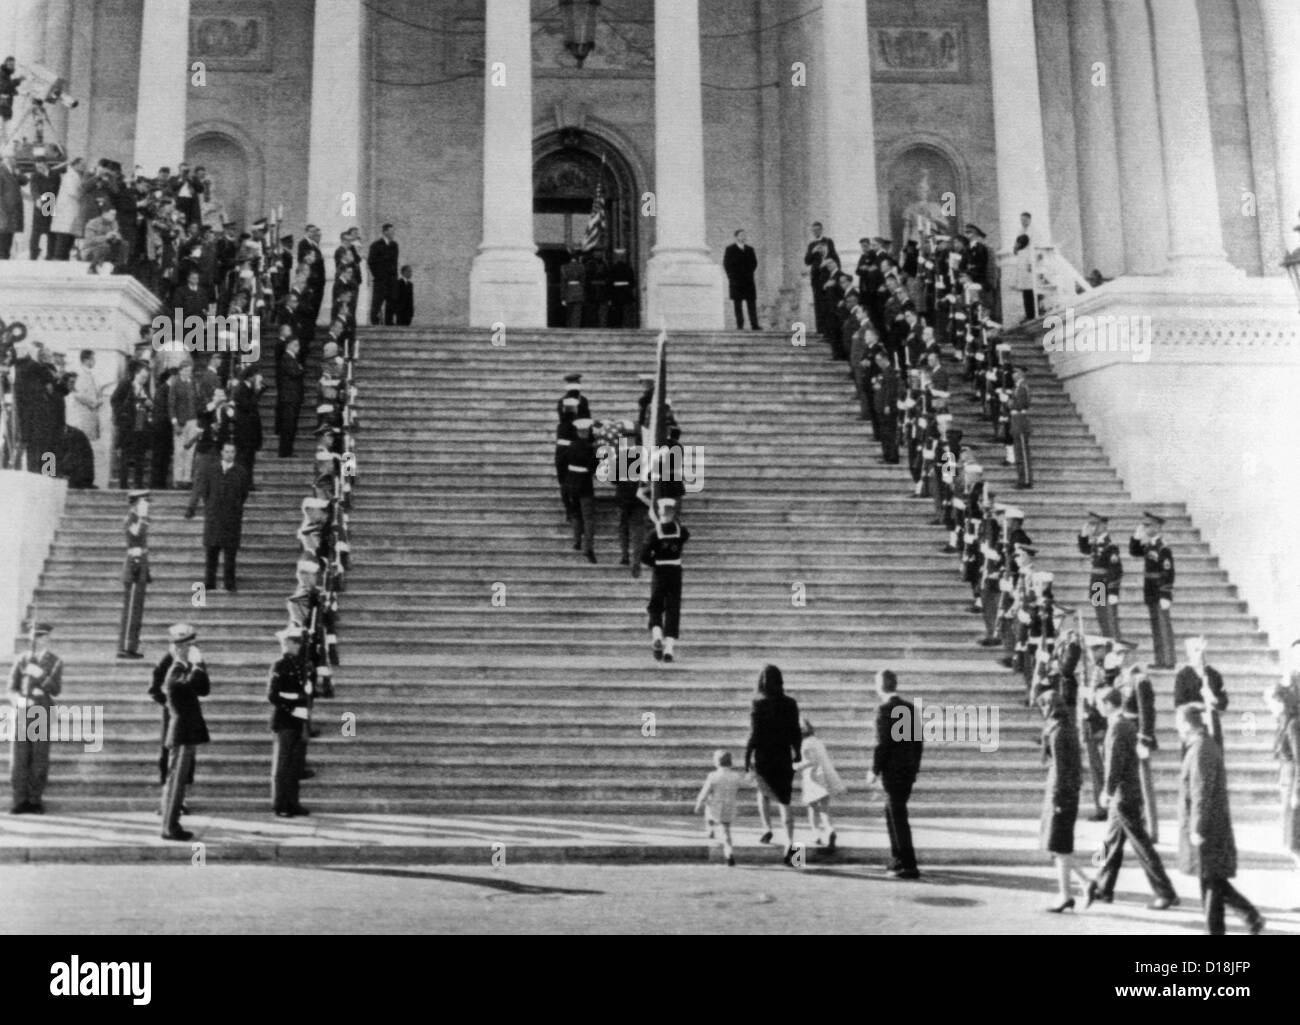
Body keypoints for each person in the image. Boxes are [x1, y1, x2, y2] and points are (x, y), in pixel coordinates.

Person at [1086, 687, 1179, 910]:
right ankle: (1103, 887)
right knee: (1110, 844)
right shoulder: (1125, 724)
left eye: (1099, 703)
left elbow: (1114, 765)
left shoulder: (1117, 727)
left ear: (1109, 704)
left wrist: (1106, 791)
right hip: (1127, 793)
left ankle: (1165, 892)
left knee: (1142, 846)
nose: (1097, 707)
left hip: (1123, 795)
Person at [1175, 704, 1263, 934]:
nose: (1177, 728)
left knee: (1212, 880)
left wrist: (1197, 827)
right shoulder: (1201, 745)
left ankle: (1220, 928)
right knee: (1212, 878)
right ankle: (1248, 917)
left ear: (1186, 724)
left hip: (1209, 826)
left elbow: (1201, 790)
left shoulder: (1201, 749)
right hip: (1212, 824)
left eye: (1178, 723)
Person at [1036, 685, 1089, 912]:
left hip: (1061, 793)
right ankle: (1087, 882)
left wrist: (1057, 799)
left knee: (1059, 846)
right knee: (1058, 846)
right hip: (1064, 791)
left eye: (1046, 706)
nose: (1045, 710)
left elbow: (1059, 766)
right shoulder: (1065, 727)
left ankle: (1066, 895)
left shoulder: (1058, 731)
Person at [743, 664, 801, 865]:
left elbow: (754, 734)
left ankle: (767, 828)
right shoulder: (791, 703)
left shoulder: (757, 703)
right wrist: (798, 753)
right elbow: (796, 731)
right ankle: (792, 849)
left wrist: (747, 756)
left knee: (763, 793)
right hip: (783, 755)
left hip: (764, 756)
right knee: (785, 800)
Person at [159, 629, 210, 841]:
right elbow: (191, 685)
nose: (193, 649)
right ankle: (169, 827)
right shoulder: (175, 672)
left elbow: (204, 688)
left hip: (186, 734)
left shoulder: (184, 670)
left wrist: (199, 665)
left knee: (177, 783)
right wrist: (198, 665)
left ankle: (171, 824)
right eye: (189, 646)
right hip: (181, 735)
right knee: (175, 784)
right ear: (179, 648)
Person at [872, 668, 923, 879]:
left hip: (892, 771)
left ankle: (907, 863)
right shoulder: (910, 708)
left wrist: (874, 769)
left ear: (880, 686)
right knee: (892, 811)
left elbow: (882, 743)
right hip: (908, 769)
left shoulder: (884, 709)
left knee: (897, 815)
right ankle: (897, 858)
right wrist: (915, 767)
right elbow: (918, 742)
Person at [8, 622, 63, 814]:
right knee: (20, 757)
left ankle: (34, 799)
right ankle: (19, 799)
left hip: (42, 711)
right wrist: (18, 701)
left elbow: (56, 689)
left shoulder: (55, 661)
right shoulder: (22, 659)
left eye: (41, 636)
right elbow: (12, 688)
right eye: (34, 636)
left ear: (48, 638)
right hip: (24, 712)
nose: (37, 640)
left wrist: (38, 674)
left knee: (39, 757)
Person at [186, 440, 251, 592]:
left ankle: (229, 582)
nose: (229, 454)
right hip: (214, 515)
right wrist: (210, 506)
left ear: (235, 454)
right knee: (212, 551)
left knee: (230, 553)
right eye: (227, 451)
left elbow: (244, 493)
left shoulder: (241, 472)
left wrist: (234, 507)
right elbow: (205, 491)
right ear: (222, 453)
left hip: (232, 517)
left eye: (232, 452)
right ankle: (210, 582)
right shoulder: (212, 470)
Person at [633, 497, 690, 662]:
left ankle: (657, 634)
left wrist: (654, 563)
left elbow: (643, 556)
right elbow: (685, 536)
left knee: (655, 606)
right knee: (673, 609)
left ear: (659, 512)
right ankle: (669, 650)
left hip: (659, 571)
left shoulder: (654, 533)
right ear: (673, 513)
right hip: (675, 572)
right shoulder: (681, 531)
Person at [268, 626, 311, 818]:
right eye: (295, 642)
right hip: (285, 719)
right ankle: (280, 804)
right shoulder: (279, 665)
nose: (298, 645)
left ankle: (293, 802)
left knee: (294, 765)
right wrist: (293, 705)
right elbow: (273, 695)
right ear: (286, 643)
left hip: (298, 720)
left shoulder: (300, 665)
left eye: (299, 642)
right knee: (282, 765)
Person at [1130, 511, 1176, 669]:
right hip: (1150, 590)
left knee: (1163, 626)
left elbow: (1168, 572)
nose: (1145, 528)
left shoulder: (1162, 548)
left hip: (1159, 590)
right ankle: (1160, 660)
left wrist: (1165, 593)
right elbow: (1134, 551)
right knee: (1156, 626)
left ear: (1157, 527)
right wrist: (1136, 536)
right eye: (1144, 525)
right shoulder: (1149, 544)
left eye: (1148, 525)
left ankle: (1168, 660)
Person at [793, 717, 846, 851]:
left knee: (812, 808)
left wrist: (795, 767)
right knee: (824, 809)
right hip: (825, 776)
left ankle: (816, 834)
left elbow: (811, 761)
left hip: (813, 779)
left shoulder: (804, 744)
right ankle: (829, 830)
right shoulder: (817, 741)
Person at [1262, 683, 1300, 867]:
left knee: (1293, 830)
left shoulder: (1293, 724)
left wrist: (1296, 792)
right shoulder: (1283, 722)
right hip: (1286, 776)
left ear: (1280, 702)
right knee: (1289, 828)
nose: (1269, 708)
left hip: (1293, 778)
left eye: (1270, 703)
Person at [1173, 635, 1228, 749]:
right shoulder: (1183, 675)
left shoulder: (1213, 674)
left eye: (1202, 650)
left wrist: (1213, 698)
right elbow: (1179, 704)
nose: (1200, 654)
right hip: (1192, 724)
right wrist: (1198, 706)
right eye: (1196, 650)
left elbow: (1224, 702)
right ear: (1189, 653)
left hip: (1212, 724)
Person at [116, 490, 151, 659]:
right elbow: (136, 535)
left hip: (140, 564)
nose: (147, 504)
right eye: (144, 501)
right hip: (134, 565)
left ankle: (132, 646)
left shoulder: (138, 517)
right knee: (131, 611)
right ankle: (125, 647)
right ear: (136, 502)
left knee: (136, 610)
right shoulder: (132, 518)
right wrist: (143, 516)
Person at [1077, 511, 1123, 640]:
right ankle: (1109, 649)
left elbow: (1117, 570)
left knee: (1110, 621)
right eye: (1090, 525)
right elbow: (1084, 549)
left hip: (1105, 585)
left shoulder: (1110, 546)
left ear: (1103, 526)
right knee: (1102, 619)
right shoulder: (1097, 542)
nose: (1091, 528)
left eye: (1094, 525)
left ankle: (1115, 650)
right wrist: (1083, 536)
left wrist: (1113, 591)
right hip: (1097, 584)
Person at [693, 749, 742, 866]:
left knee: (708, 812)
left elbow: (705, 792)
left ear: (717, 762)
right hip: (729, 806)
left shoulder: (713, 776)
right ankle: (729, 853)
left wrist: (699, 803)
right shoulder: (736, 776)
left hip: (715, 806)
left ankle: (710, 830)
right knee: (726, 831)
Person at [110, 360, 153, 490]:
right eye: (142, 377)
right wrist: (122, 415)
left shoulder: (144, 388)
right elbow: (114, 400)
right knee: (125, 456)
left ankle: (138, 484)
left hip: (140, 425)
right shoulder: (126, 385)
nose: (144, 380)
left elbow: (149, 403)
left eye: (146, 378)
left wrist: (149, 405)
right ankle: (123, 485)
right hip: (128, 425)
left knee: (140, 456)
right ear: (136, 374)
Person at [565, 417, 598, 563]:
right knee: (588, 517)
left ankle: (576, 540)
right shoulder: (591, 448)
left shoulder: (570, 445)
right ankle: (588, 548)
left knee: (576, 514)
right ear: (587, 431)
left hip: (571, 483)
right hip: (585, 484)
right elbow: (594, 467)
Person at [804, 222, 839, 340]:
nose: (816, 232)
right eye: (814, 230)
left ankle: (828, 331)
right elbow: (807, 261)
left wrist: (835, 275)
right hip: (816, 277)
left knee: (827, 303)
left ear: (822, 230)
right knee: (818, 303)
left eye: (818, 230)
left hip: (827, 277)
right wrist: (813, 251)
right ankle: (820, 329)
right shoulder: (811, 245)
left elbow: (835, 257)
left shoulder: (828, 241)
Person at [723, 229, 759, 330]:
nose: (743, 237)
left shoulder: (750, 249)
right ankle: (740, 325)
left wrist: (748, 272)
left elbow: (754, 263)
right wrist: (732, 276)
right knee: (737, 304)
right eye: (741, 235)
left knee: (751, 302)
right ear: (736, 237)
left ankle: (754, 324)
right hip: (736, 281)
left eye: (744, 235)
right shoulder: (730, 249)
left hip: (748, 280)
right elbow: (726, 264)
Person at [276, 336, 305, 457]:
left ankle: (288, 450)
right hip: (289, 397)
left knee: (291, 425)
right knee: (288, 425)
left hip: (293, 397)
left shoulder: (292, 359)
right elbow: (295, 372)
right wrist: (300, 369)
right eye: (295, 345)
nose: (298, 348)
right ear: (289, 345)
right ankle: (285, 451)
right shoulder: (286, 358)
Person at [367, 223, 400, 325]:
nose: (393, 233)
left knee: (391, 302)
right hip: (381, 280)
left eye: (393, 231)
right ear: (385, 232)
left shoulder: (394, 245)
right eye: (391, 231)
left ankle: (389, 323)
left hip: (391, 279)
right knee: (377, 302)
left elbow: (394, 262)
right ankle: (374, 322)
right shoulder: (376, 245)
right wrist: (378, 275)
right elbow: (371, 261)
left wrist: (394, 276)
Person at [1008, 365, 1032, 489]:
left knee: (1022, 453)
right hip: (1016, 421)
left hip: (1021, 421)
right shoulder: (1017, 388)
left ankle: (1026, 480)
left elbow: (1022, 404)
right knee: (1018, 453)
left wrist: (1010, 403)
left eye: (1015, 372)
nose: (1013, 375)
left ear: (1021, 374)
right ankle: (1021, 478)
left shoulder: (1022, 388)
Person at [607, 248, 637, 327]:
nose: (620, 258)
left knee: (620, 312)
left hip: (618, 293)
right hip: (624, 293)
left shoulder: (614, 268)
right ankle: (623, 325)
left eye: (621, 256)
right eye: (619, 256)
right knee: (622, 312)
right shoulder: (627, 268)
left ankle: (620, 325)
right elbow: (632, 282)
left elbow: (609, 283)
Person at [560, 248, 587, 328]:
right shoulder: (582, 267)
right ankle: (576, 328)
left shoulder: (564, 267)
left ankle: (569, 328)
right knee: (577, 313)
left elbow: (563, 283)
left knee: (569, 313)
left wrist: (562, 297)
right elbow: (583, 282)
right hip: (579, 291)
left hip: (568, 291)